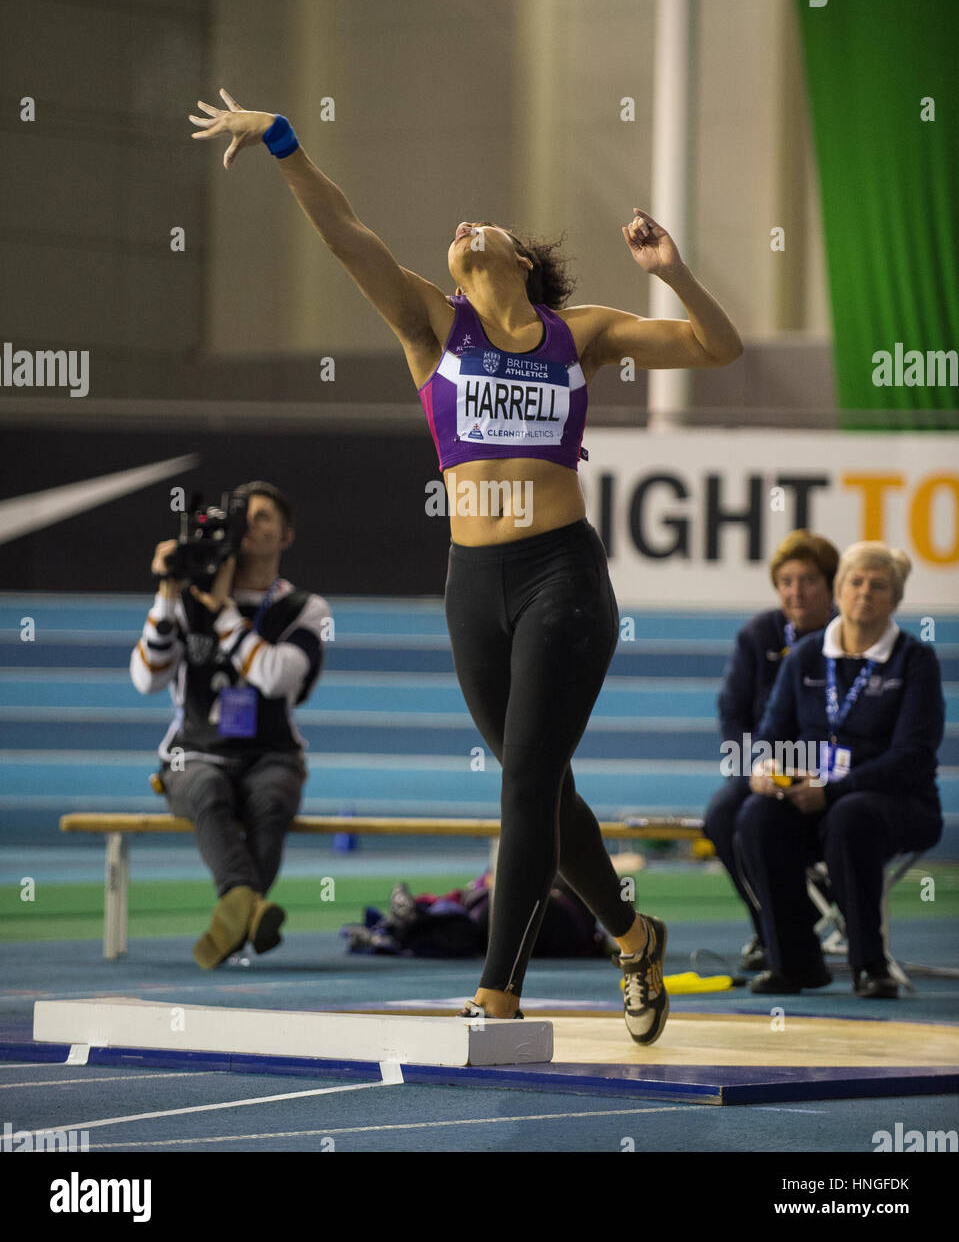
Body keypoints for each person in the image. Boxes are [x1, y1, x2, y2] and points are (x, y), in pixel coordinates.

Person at [188, 90, 742, 1043]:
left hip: (561, 579)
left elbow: (715, 347)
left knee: (523, 783)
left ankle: (498, 992)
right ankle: (630, 931)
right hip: (472, 588)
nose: (462, 230)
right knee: (544, 787)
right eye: (457, 232)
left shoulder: (586, 333)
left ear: (523, 262)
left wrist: (674, 272)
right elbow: (346, 234)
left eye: (483, 228)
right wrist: (281, 143)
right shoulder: (430, 327)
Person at [131, 481, 331, 968]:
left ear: (286, 536)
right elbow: (146, 680)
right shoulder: (186, 596)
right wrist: (166, 596)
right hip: (193, 753)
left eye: (264, 516)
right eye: (244, 515)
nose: (251, 523)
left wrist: (223, 615)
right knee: (205, 790)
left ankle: (234, 915)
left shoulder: (306, 608)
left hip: (272, 754)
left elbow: (276, 677)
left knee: (271, 799)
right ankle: (246, 907)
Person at [736, 542, 944, 998]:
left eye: (879, 586)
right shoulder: (807, 656)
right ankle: (794, 961)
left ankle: (870, 963)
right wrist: (767, 770)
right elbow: (771, 737)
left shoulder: (915, 661)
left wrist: (832, 790)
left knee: (851, 815)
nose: (865, 593)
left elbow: (913, 756)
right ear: (838, 589)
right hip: (817, 799)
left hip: (898, 803)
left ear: (896, 599)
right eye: (856, 582)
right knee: (755, 816)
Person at [704, 530, 838, 971]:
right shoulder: (757, 635)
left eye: (808, 580)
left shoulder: (849, 636)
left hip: (829, 772)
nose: (796, 592)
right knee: (724, 814)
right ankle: (772, 930)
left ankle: (802, 922)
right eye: (786, 581)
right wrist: (757, 766)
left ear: (831, 584)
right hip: (766, 767)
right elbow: (732, 714)